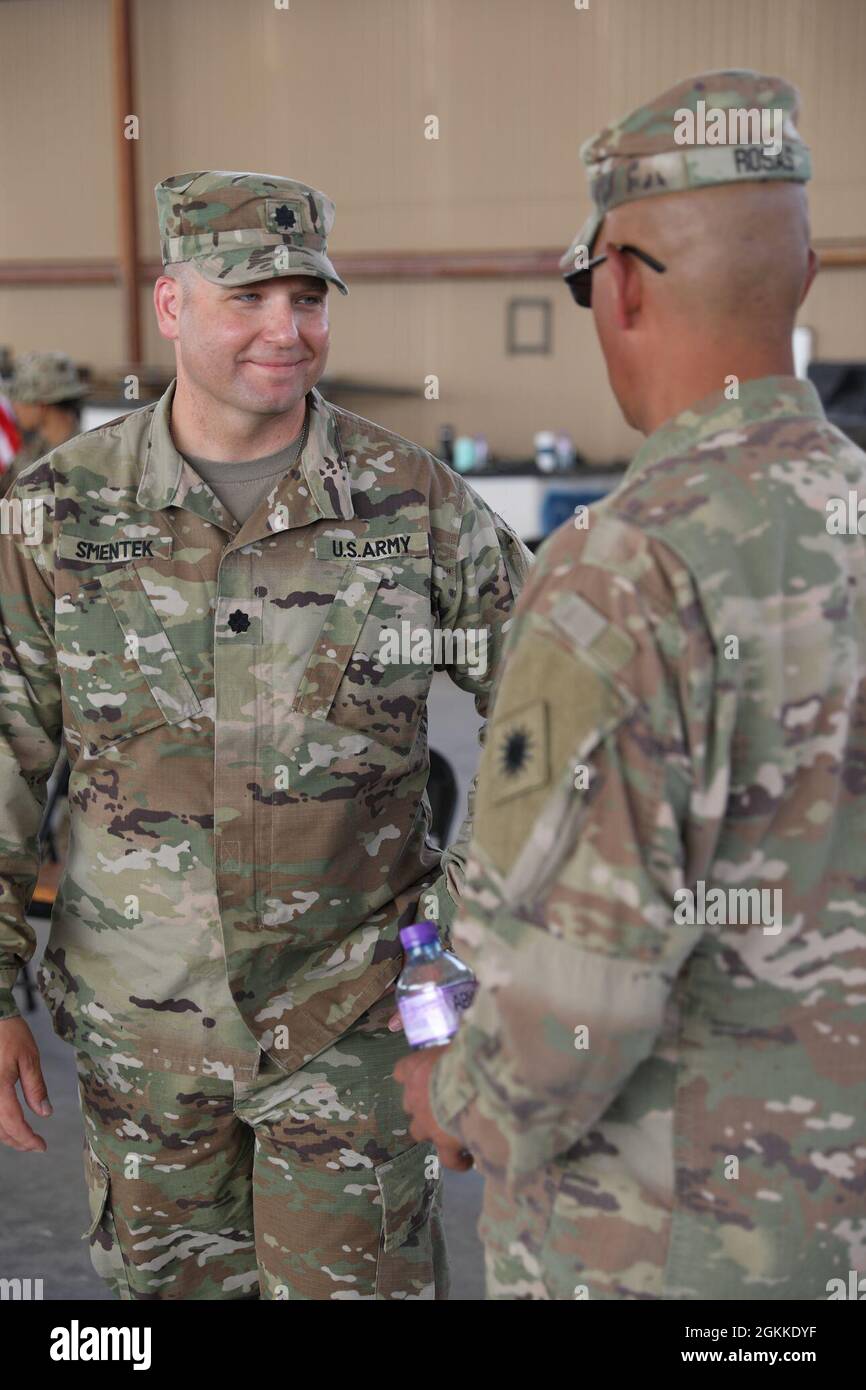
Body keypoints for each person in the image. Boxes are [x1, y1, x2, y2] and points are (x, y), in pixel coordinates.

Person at [0, 170, 531, 1300]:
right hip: (144, 1040)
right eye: (248, 297)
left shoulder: (412, 504)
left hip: (354, 1030)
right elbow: (4, 751)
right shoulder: (56, 513)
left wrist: (453, 931)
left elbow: (552, 711)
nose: (286, 331)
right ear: (172, 304)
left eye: (308, 297)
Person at [397, 70, 866, 1300]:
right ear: (804, 275)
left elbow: (574, 1004)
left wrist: (454, 1096)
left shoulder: (624, 571)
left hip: (667, 1246)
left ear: (616, 283)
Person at [1, 350, 87, 493]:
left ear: (40, 404)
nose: (15, 407)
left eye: (20, 400)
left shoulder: (83, 459)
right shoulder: (33, 450)